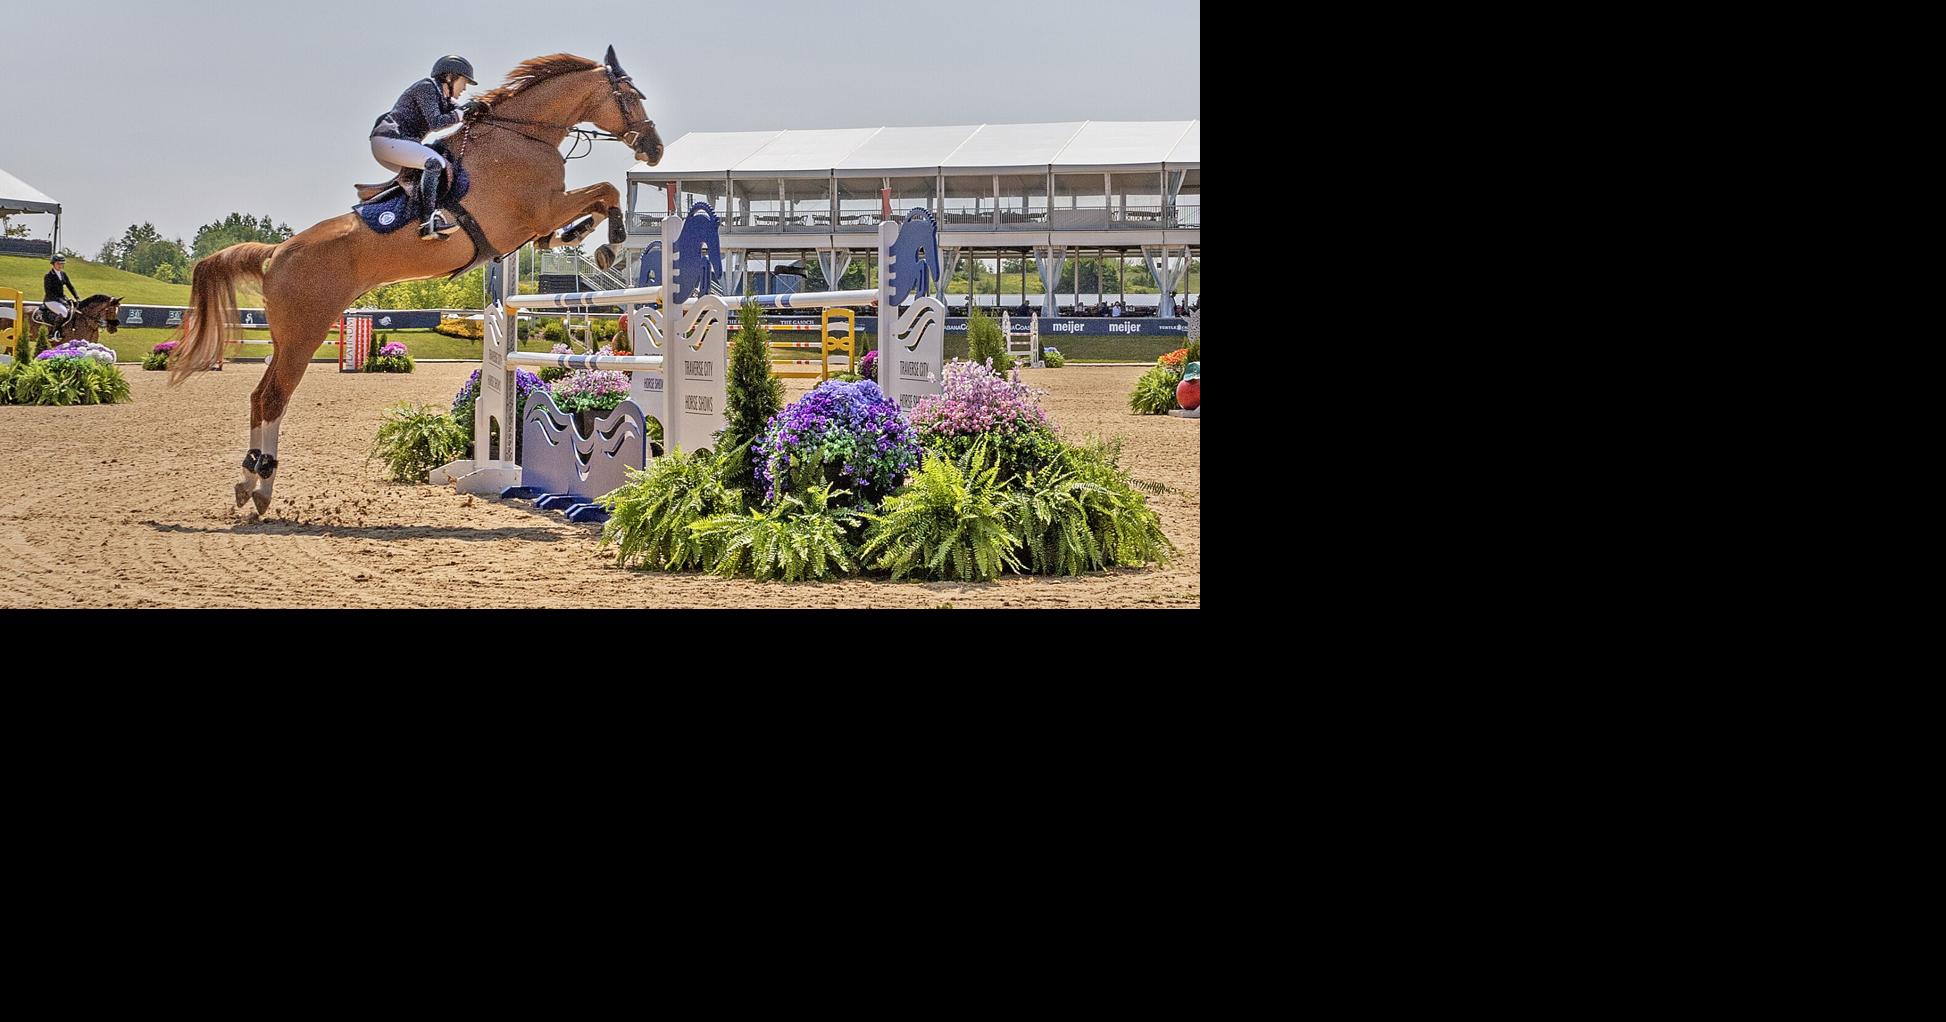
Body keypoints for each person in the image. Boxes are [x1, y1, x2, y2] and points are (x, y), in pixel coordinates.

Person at [370, 55, 483, 241]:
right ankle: (428, 221)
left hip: (394, 144)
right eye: (464, 82)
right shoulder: (427, 88)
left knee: (427, 174)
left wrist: (475, 109)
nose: (464, 88)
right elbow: (437, 122)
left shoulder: (442, 97)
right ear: (449, 77)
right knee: (434, 163)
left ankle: (408, 216)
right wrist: (463, 112)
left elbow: (459, 111)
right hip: (389, 139)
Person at [42, 255, 80, 331]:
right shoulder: (48, 276)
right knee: (64, 312)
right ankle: (54, 332)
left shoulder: (63, 274)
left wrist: (77, 297)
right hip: (50, 300)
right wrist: (60, 300)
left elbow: (70, 286)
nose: (60, 265)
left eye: (62, 264)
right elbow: (48, 292)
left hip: (61, 299)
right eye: (58, 263)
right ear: (53, 264)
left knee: (73, 310)